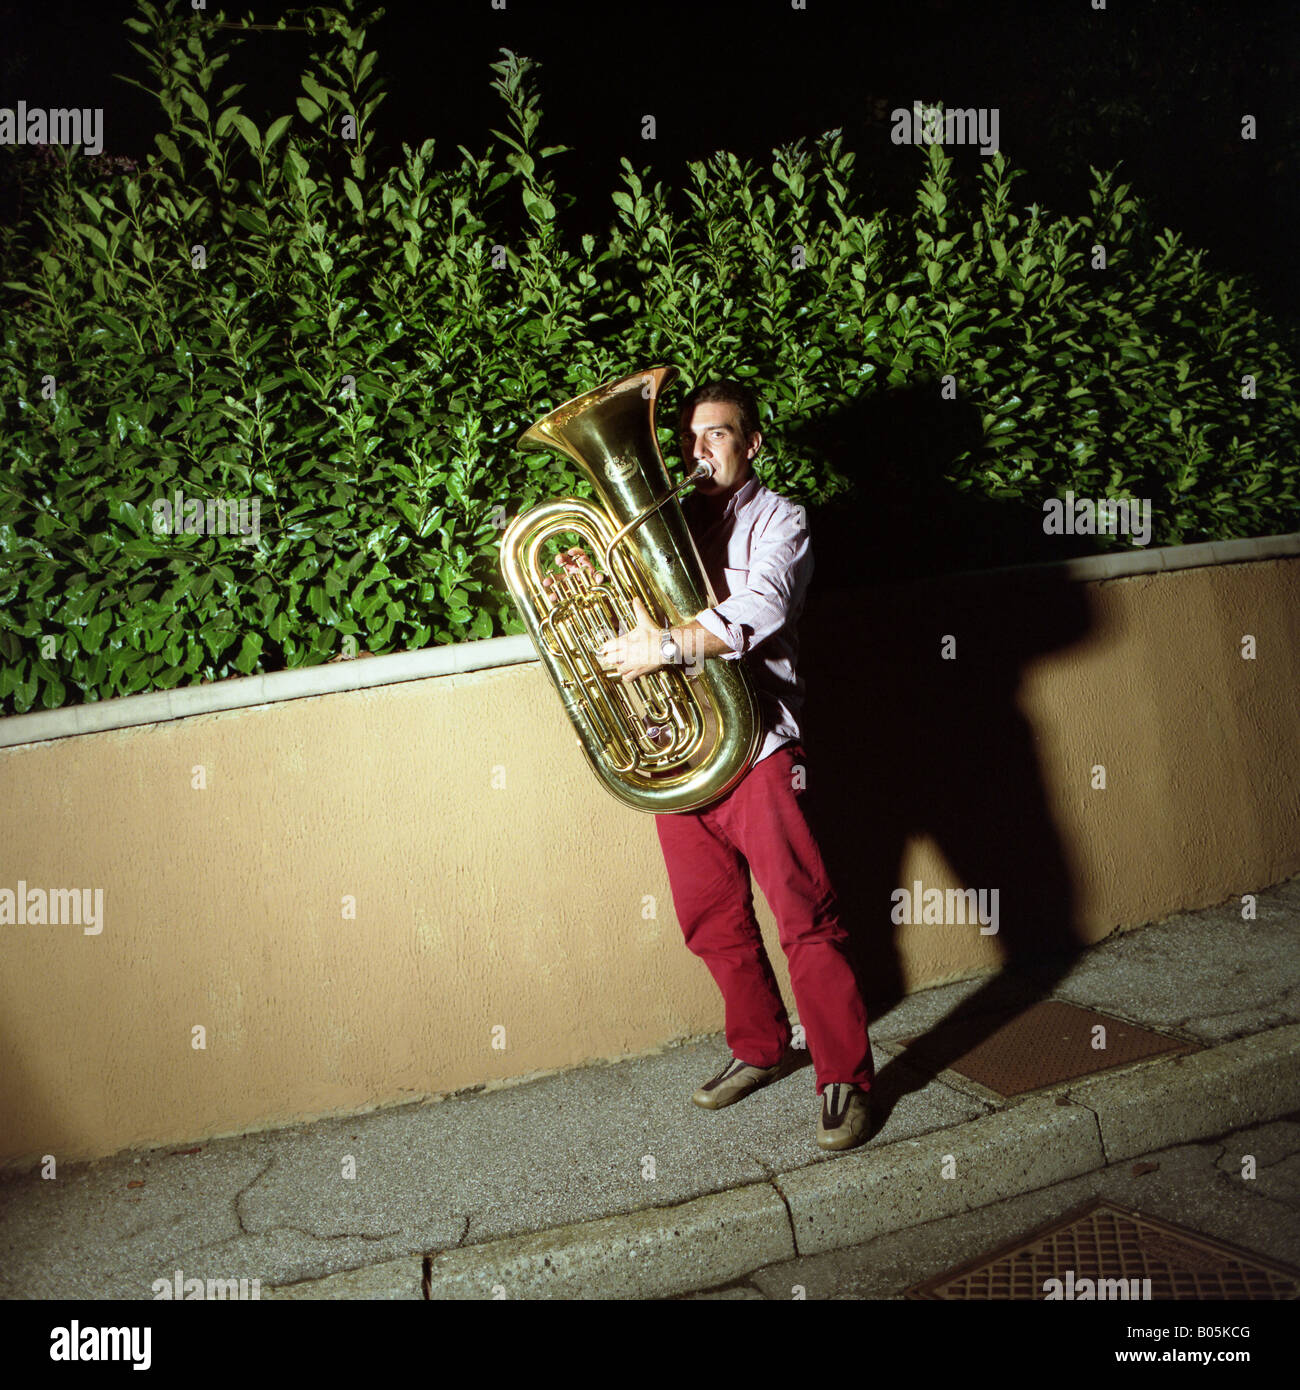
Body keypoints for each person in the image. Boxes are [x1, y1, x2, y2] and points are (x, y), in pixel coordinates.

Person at [597, 378, 875, 1151]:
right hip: (680, 752)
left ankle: (844, 1077)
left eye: (716, 435)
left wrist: (664, 643)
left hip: (757, 745)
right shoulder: (669, 526)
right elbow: (625, 621)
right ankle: (761, 1049)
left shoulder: (783, 518)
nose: (697, 450)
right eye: (688, 438)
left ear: (751, 445)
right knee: (711, 922)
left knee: (804, 918)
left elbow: (764, 609)